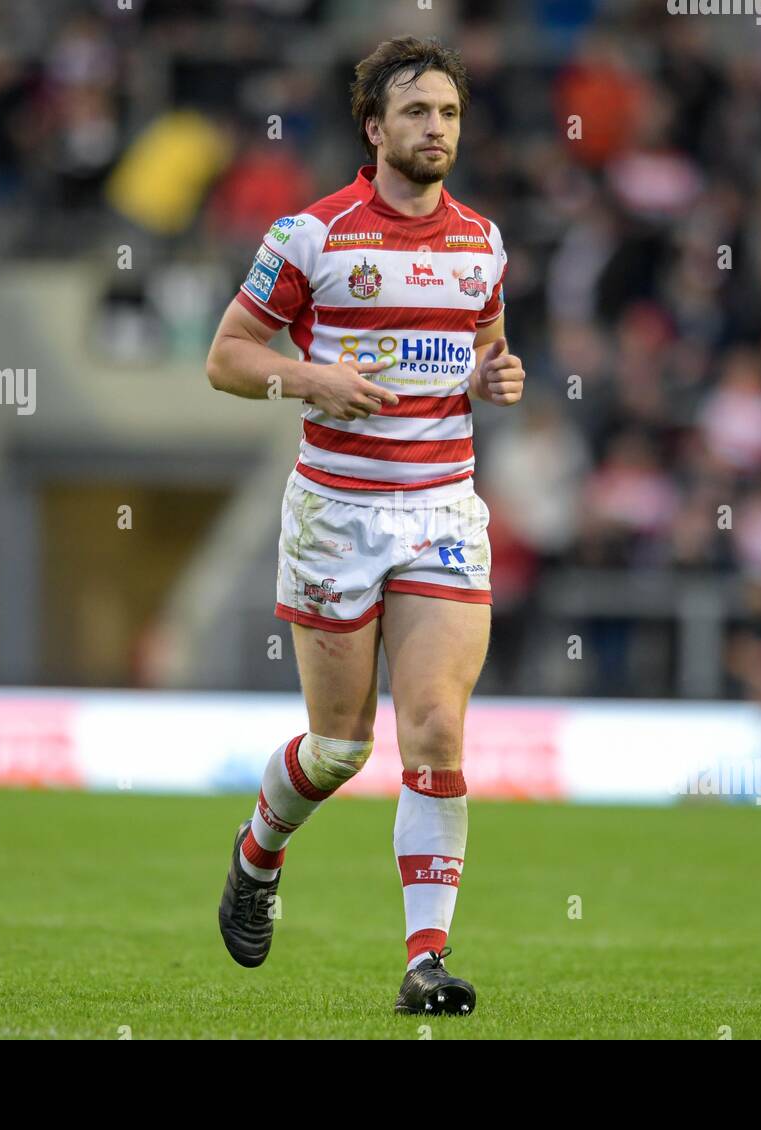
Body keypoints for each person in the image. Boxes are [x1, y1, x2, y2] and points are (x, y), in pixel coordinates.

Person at [204, 35, 525, 1016]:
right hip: (336, 514)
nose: (436, 129)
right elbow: (226, 357)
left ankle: (425, 957)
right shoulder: (314, 236)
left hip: (438, 509)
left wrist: (493, 375)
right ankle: (258, 853)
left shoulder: (482, 242)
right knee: (339, 747)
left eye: (450, 114)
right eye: (417, 112)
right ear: (375, 128)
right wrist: (313, 376)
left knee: (433, 728)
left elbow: (482, 344)